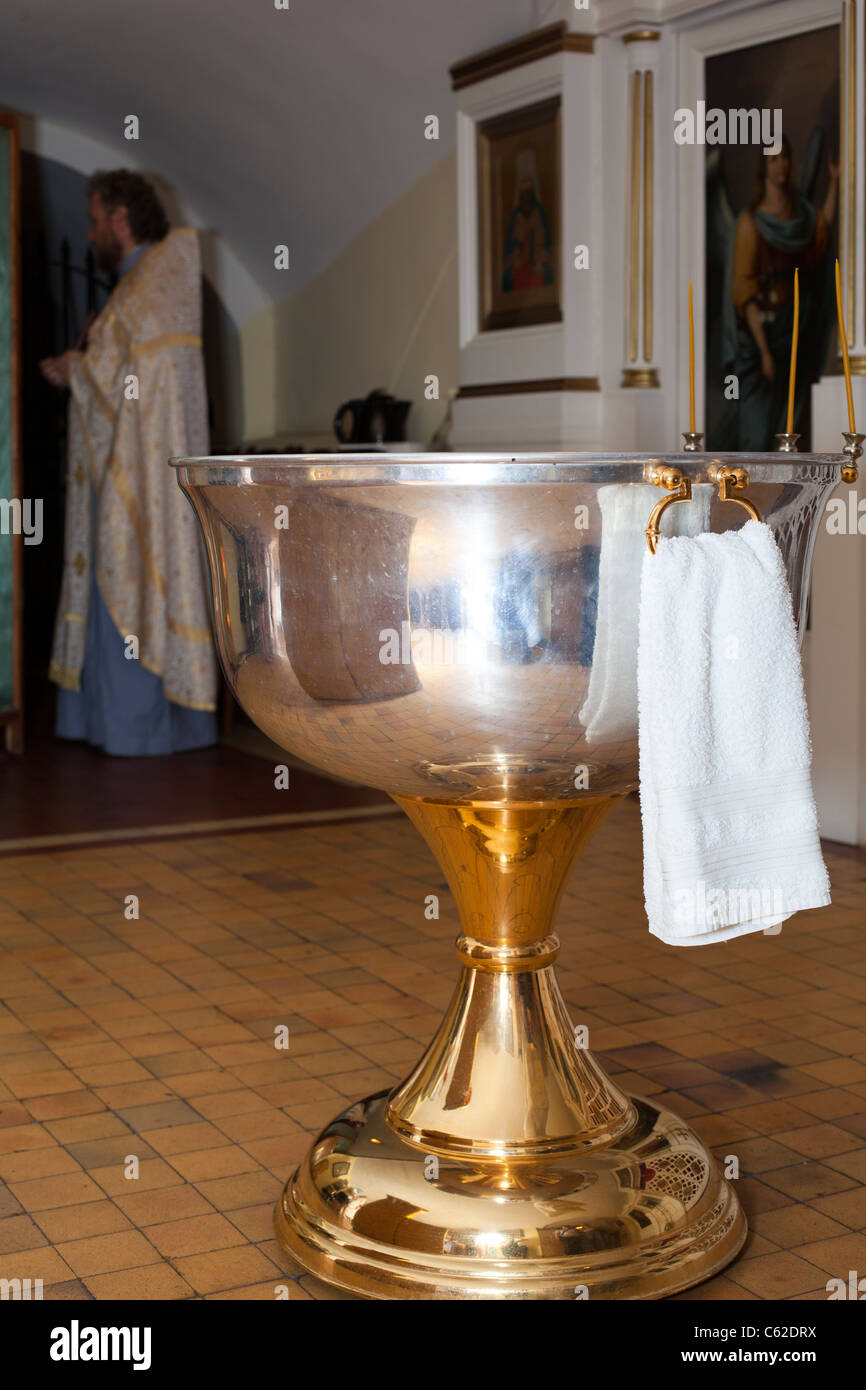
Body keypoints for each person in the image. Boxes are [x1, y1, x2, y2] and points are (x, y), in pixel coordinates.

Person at [40, 170, 218, 755]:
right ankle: (135, 724)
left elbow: (110, 378)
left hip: (137, 476)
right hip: (142, 467)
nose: (89, 233)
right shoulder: (151, 284)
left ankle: (134, 730)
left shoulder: (147, 287)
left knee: (126, 572)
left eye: (94, 220)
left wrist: (74, 367)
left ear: (120, 217)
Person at [728, 136, 838, 450]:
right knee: (760, 427)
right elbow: (745, 293)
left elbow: (821, 231)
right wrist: (764, 352)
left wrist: (835, 182)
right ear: (763, 167)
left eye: (785, 157)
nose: (782, 165)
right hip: (764, 335)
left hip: (796, 332)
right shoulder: (750, 225)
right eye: (774, 159)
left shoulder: (797, 214)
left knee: (792, 423)